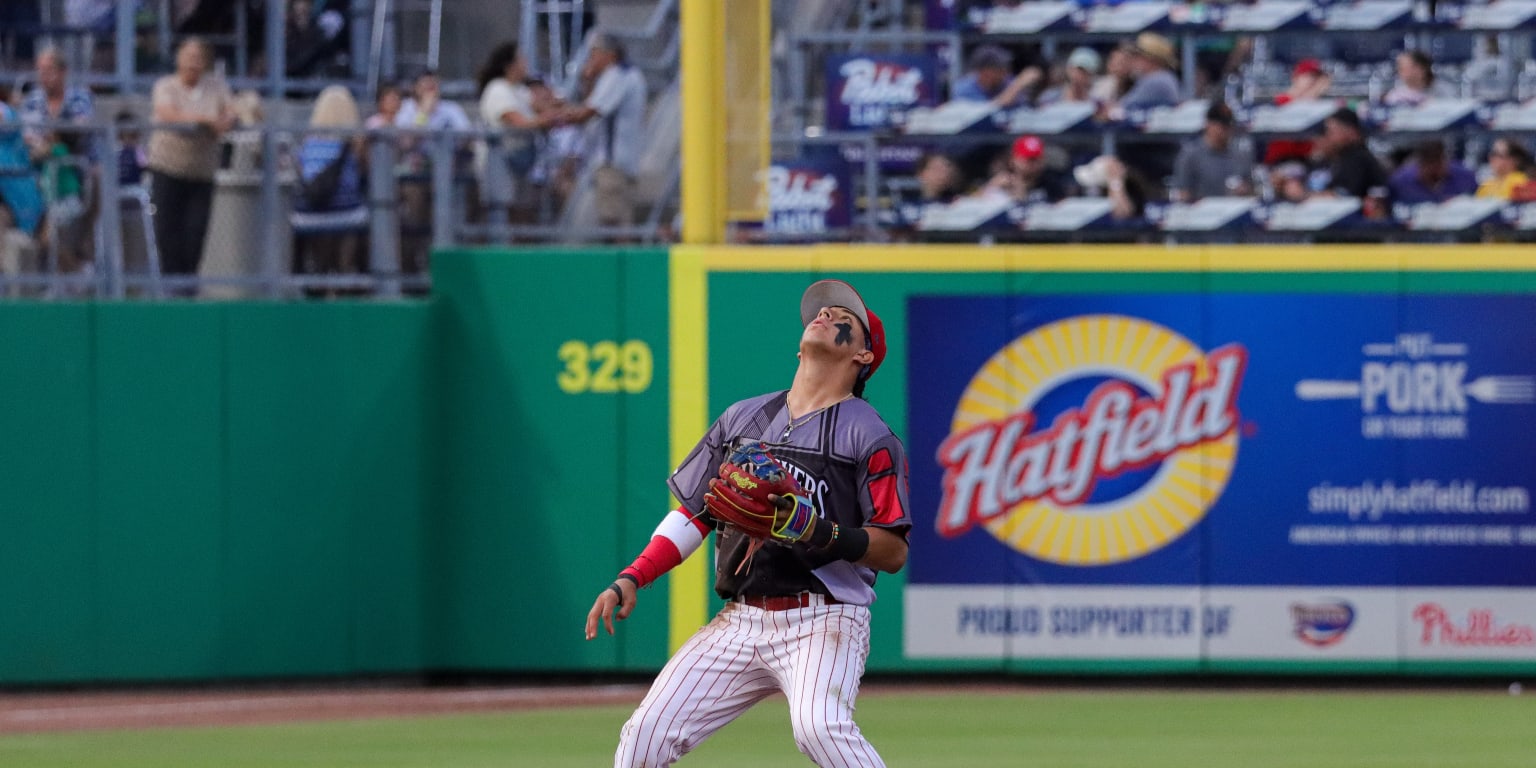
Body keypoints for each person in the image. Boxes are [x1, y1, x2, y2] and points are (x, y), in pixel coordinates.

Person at [587, 279, 911, 768]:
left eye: (842, 316)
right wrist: (633, 576)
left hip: (823, 618)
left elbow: (893, 550)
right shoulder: (744, 418)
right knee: (644, 738)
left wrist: (816, 529)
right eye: (819, 313)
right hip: (742, 617)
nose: (823, 316)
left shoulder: (868, 434)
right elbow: (695, 513)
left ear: (863, 355)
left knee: (819, 727)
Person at [146, 37, 235, 280]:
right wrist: (205, 121)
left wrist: (222, 121)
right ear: (179, 58)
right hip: (167, 168)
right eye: (189, 56)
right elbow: (167, 114)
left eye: (199, 58)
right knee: (166, 232)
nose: (193, 63)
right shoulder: (166, 86)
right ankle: (170, 289)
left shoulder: (216, 87)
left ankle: (188, 286)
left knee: (194, 235)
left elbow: (228, 116)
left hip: (201, 173)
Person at [556, 31, 648, 231]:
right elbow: (592, 103)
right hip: (620, 162)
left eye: (594, 54)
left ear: (609, 54)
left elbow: (588, 112)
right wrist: (587, 80)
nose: (591, 60)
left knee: (613, 222)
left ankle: (621, 262)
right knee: (616, 220)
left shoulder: (618, 76)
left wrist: (552, 116)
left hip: (612, 163)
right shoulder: (623, 75)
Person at [21, 47, 96, 276]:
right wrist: (52, 140)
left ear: (63, 72)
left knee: (98, 178)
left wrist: (54, 138)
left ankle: (81, 259)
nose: (44, 76)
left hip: (74, 172)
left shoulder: (80, 97)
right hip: (39, 172)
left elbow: (79, 131)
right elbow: (29, 138)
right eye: (40, 71)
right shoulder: (33, 100)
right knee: (46, 237)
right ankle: (77, 274)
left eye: (49, 70)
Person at [290, 85, 367, 289]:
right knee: (359, 212)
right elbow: (361, 174)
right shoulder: (355, 143)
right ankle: (345, 277)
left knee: (321, 243)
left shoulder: (308, 143)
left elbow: (301, 171)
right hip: (346, 211)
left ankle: (322, 278)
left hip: (309, 212)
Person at [475, 41, 545, 213]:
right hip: (500, 164)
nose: (526, 64)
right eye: (521, 60)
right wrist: (551, 119)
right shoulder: (497, 89)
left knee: (523, 212)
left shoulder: (520, 90)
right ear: (510, 66)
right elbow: (519, 122)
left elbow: (541, 107)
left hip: (521, 162)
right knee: (502, 212)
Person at [1170, 101, 1254, 202]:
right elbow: (1182, 192)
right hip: (1201, 214)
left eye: (1228, 126)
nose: (1225, 130)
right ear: (1208, 125)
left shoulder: (1241, 154)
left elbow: (1251, 190)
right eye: (1221, 126)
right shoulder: (1191, 154)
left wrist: (1245, 191)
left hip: (1234, 211)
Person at [1263, 58, 1332, 166]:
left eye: (1317, 78)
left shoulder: (1317, 105)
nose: (1314, 82)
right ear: (1296, 78)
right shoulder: (1280, 101)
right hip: (1281, 161)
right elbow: (1296, 113)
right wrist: (1314, 93)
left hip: (1308, 161)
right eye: (1310, 76)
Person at [1316, 107, 1389, 200]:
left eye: (1332, 131)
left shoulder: (1359, 159)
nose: (1328, 135)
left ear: (1351, 131)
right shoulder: (1342, 157)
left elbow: (1346, 195)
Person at [983, 134, 1069, 204]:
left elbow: (1064, 207)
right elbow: (974, 204)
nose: (1033, 164)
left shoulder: (1050, 182)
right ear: (1014, 159)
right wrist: (991, 187)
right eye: (1029, 159)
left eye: (1037, 159)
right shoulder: (1003, 180)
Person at [1387, 140, 1477, 204]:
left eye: (1437, 162)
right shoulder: (1400, 182)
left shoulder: (1466, 177)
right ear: (1420, 163)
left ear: (1444, 159)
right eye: (1429, 163)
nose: (1434, 168)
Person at [950, 44, 1039, 108]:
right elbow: (989, 111)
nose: (1005, 73)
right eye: (1000, 69)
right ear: (985, 71)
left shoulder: (1007, 81)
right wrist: (1018, 84)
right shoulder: (963, 88)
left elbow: (1024, 105)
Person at [1382, 50, 1452, 108]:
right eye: (1400, 68)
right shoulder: (1395, 96)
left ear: (1422, 69)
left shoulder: (1445, 91)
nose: (1400, 71)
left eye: (1404, 68)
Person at [1036, 46, 1100, 107]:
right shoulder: (1049, 97)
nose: (1079, 75)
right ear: (1069, 69)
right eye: (1077, 70)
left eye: (1085, 72)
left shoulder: (1096, 102)